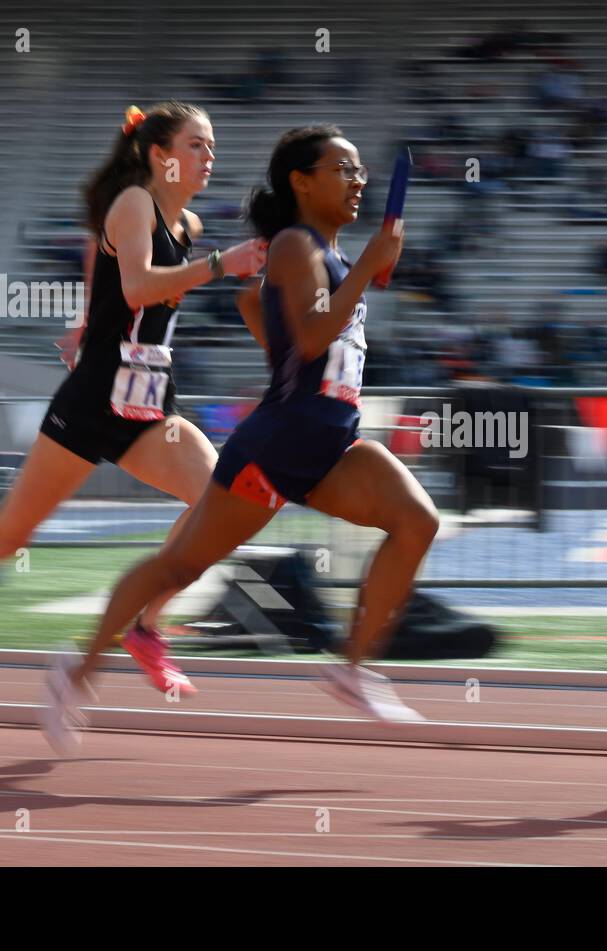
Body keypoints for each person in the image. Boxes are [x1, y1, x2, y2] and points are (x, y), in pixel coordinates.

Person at [44, 125, 439, 749]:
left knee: (417, 521)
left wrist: (319, 305)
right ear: (301, 182)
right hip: (277, 448)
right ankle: (77, 671)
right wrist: (369, 265)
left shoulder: (325, 255)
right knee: (181, 564)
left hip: (334, 444)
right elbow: (313, 335)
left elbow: (255, 304)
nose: (358, 180)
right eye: (343, 168)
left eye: (361, 170)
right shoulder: (296, 244)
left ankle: (351, 669)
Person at [0, 101, 264, 725]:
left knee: (224, 503)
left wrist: (87, 320)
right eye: (197, 144)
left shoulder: (188, 224)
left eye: (211, 146)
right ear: (160, 155)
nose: (210, 156)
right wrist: (220, 266)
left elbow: (106, 263)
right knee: (9, 536)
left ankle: (145, 626)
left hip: (149, 403)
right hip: (94, 403)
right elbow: (138, 285)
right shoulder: (134, 203)